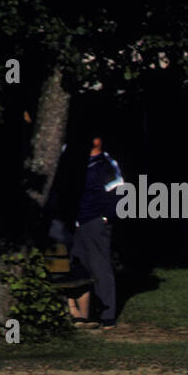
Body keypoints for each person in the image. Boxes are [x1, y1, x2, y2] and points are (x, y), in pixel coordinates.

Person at [67, 136, 124, 329]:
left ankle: (108, 315)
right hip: (74, 221)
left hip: (95, 220)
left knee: (100, 266)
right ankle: (85, 314)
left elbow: (118, 192)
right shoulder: (74, 158)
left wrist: (107, 218)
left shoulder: (106, 164)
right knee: (77, 266)